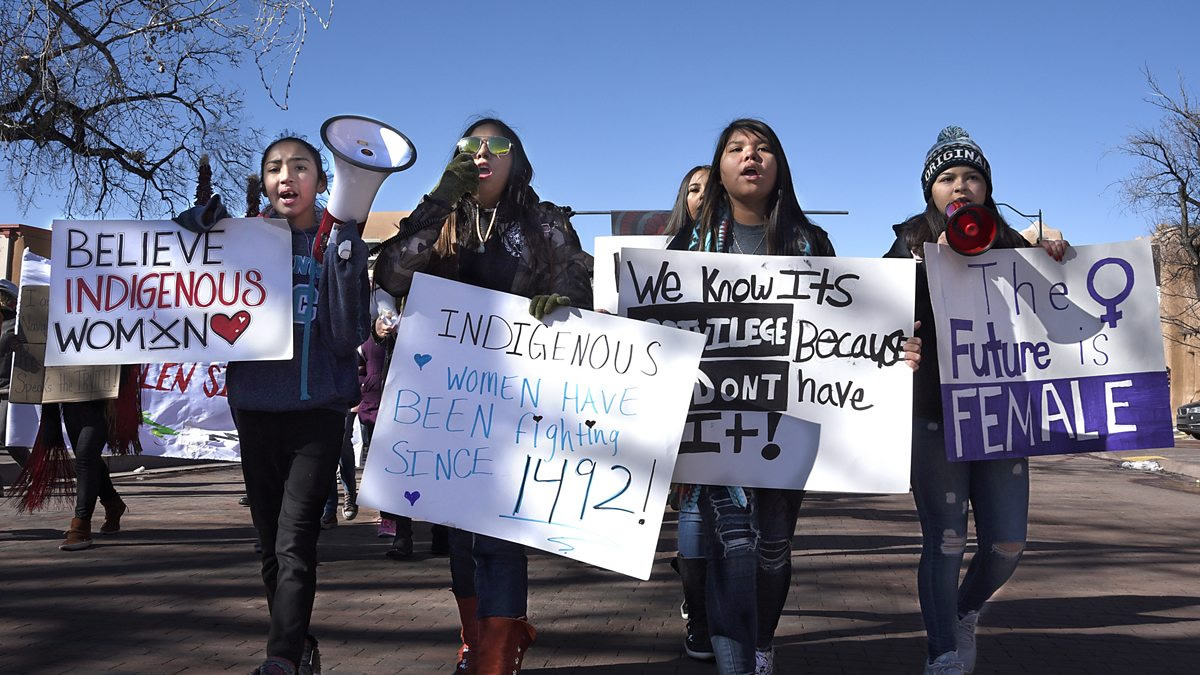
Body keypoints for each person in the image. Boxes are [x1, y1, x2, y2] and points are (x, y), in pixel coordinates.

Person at [373, 117, 592, 674]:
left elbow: (576, 283)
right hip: (448, 398)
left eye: (497, 145)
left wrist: (559, 299)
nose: (483, 155)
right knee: (461, 538)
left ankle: (497, 654)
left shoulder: (545, 223)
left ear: (516, 157)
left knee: (500, 532)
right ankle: (475, 638)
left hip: (516, 396)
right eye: (469, 147)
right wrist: (440, 199)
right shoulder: (443, 218)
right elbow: (392, 274)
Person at [177, 134, 371, 675]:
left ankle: (281, 658)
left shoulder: (337, 242)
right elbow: (174, 280)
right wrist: (193, 233)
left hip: (319, 412)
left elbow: (344, 335)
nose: (287, 177)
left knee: (294, 541)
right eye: (275, 168)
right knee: (269, 543)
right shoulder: (238, 238)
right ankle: (298, 644)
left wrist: (347, 256)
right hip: (256, 407)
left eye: (300, 167)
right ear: (263, 182)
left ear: (321, 180)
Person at [884, 126, 1067, 675]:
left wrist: (1058, 254)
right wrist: (919, 288)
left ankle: (963, 613)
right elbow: (877, 322)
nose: (959, 186)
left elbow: (1059, 309)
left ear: (987, 189)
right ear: (930, 192)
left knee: (1007, 543)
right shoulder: (908, 244)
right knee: (944, 539)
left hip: (1001, 416)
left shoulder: (1014, 244)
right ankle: (941, 650)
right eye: (946, 178)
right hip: (934, 415)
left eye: (971, 177)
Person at [667, 119, 835, 675]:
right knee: (724, 547)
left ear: (779, 166)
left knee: (771, 550)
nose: (751, 157)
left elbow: (849, 330)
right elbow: (656, 326)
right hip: (710, 423)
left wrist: (893, 348)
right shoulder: (686, 246)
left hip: (787, 422)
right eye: (736, 148)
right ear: (719, 166)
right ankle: (733, 656)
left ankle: (762, 638)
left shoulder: (811, 243)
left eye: (763, 149)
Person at [661, 165, 716, 662]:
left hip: (750, 405)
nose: (702, 196)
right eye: (692, 189)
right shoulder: (668, 259)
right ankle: (699, 614)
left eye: (709, 187)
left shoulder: (759, 251)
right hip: (688, 407)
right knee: (695, 508)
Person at [663, 165, 710, 236]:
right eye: (694, 189)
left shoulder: (732, 238)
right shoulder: (663, 244)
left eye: (711, 189)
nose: (703, 194)